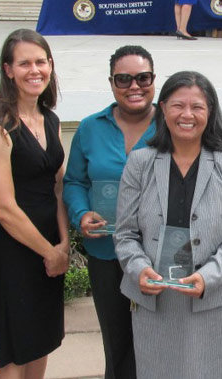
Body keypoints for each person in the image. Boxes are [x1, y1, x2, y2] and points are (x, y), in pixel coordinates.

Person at [114, 71, 222, 379]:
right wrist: (138, 270)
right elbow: (124, 234)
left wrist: (207, 277)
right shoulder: (140, 163)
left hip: (210, 299)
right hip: (154, 298)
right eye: (178, 105)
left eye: (197, 107)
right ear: (163, 109)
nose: (187, 115)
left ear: (211, 111)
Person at [0, 29, 70, 379]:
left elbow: (57, 186)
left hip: (49, 241)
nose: (35, 70)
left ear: (51, 66)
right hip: (14, 248)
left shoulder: (51, 119)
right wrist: (49, 252)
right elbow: (2, 207)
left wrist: (64, 243)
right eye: (24, 63)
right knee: (16, 349)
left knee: (42, 340)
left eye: (41, 61)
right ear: (8, 70)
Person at [63, 44, 157, 379]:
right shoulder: (90, 127)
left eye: (143, 77)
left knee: (158, 342)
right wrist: (81, 214)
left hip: (158, 255)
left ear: (154, 80)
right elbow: (73, 181)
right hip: (106, 253)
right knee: (117, 344)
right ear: (111, 82)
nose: (135, 86)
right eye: (124, 79)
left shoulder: (173, 123)